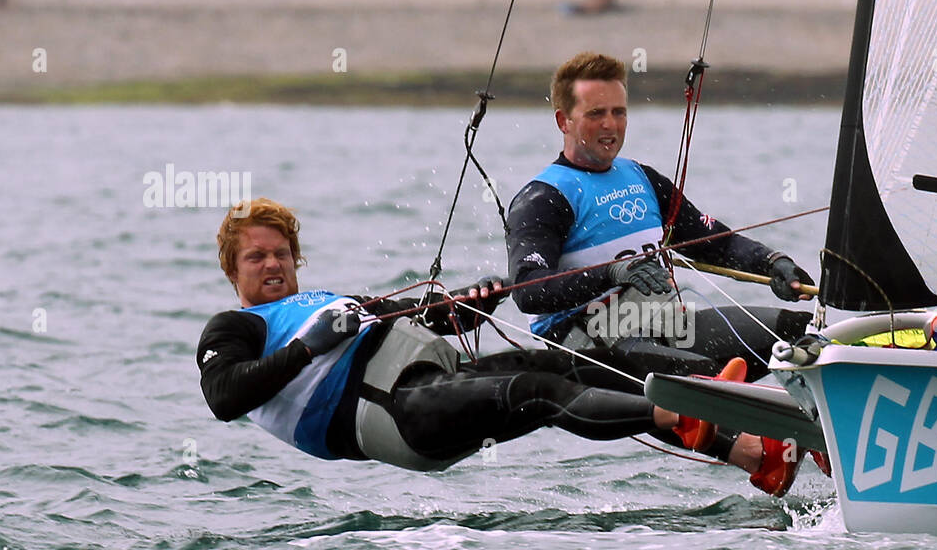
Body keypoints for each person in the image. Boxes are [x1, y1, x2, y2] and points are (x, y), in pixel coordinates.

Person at [196, 198, 800, 494]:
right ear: (233, 270)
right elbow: (223, 397)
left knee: (569, 363)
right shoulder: (237, 326)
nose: (272, 264)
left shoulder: (321, 301)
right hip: (392, 416)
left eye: (280, 253)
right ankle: (688, 407)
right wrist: (308, 349)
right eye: (256, 257)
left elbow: (413, 327)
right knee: (540, 393)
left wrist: (467, 305)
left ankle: (753, 453)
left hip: (430, 380)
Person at [504, 51, 825, 491]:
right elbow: (527, 291)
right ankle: (752, 444)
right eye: (595, 113)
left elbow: (718, 242)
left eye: (619, 112)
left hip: (666, 326)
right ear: (564, 120)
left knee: (801, 337)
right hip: (589, 341)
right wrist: (612, 274)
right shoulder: (542, 198)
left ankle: (817, 439)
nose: (611, 125)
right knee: (701, 375)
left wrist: (772, 263)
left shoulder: (642, 178)